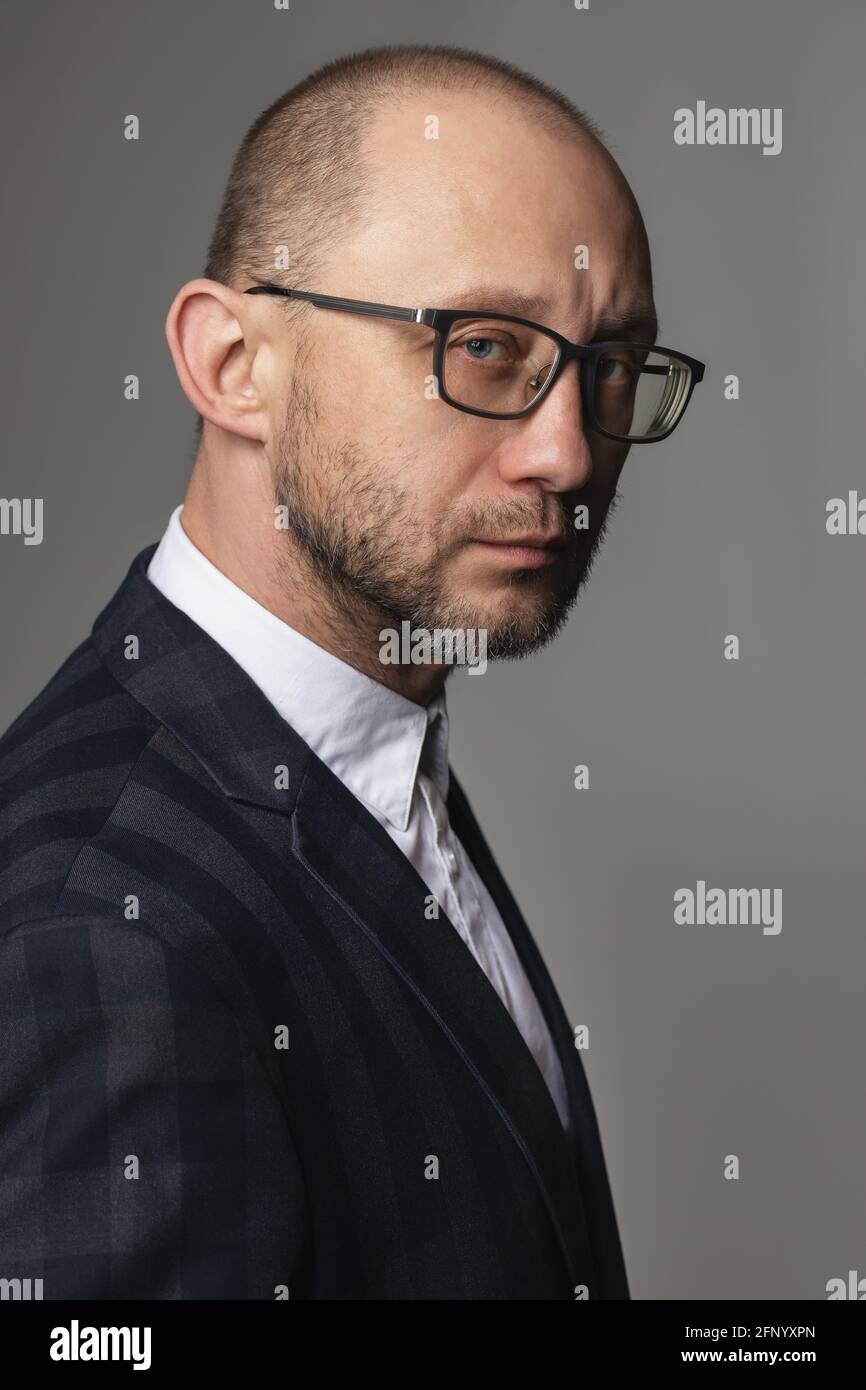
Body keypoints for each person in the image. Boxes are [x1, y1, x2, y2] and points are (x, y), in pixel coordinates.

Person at [0, 44, 704, 1299]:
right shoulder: (98, 923)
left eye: (606, 367)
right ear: (232, 366)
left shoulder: (366, 750)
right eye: (483, 345)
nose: (563, 452)